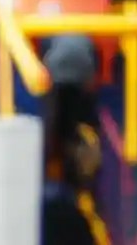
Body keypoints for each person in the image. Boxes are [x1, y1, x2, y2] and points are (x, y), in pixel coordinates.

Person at [41, 33, 101, 194]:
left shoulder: (49, 27)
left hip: (57, 79)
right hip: (73, 79)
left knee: (58, 129)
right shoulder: (86, 33)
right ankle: (72, 182)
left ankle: (65, 178)